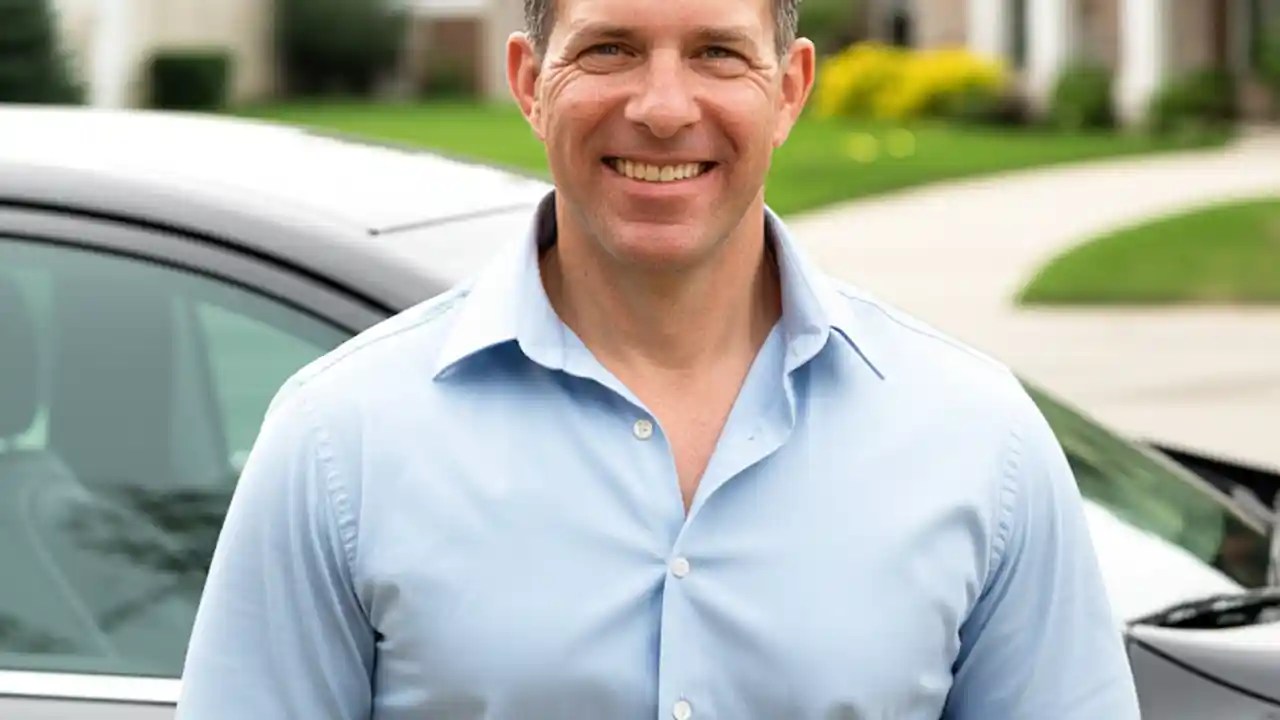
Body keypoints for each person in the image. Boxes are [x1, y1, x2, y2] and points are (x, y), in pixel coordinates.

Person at [175, 0, 1142, 717]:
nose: (665, 107)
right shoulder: (340, 441)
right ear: (527, 81)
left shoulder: (980, 441)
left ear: (790, 88)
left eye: (718, 53)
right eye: (610, 49)